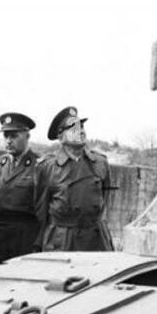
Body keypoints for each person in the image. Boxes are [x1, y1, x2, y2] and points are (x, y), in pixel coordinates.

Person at [35, 107, 114, 252]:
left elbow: (105, 199)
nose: (81, 131)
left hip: (95, 239)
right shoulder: (47, 167)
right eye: (73, 128)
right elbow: (40, 211)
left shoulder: (101, 163)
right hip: (62, 240)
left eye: (82, 126)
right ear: (60, 137)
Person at [0, 112, 40, 262]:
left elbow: (44, 213)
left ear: (27, 136)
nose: (9, 141)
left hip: (26, 239)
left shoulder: (39, 166)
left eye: (14, 136)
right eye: (6, 136)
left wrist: (39, 245)